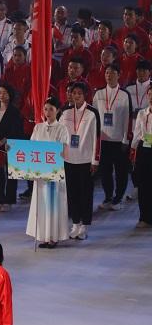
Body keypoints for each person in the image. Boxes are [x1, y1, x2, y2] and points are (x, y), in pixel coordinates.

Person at [26, 96, 70, 247]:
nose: (48, 112)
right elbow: (31, 148)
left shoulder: (62, 128)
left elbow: (63, 150)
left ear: (57, 111)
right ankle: (44, 235)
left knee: (53, 203)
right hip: (40, 172)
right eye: (45, 109)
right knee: (41, 203)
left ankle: (53, 237)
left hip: (54, 171)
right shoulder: (38, 127)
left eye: (51, 109)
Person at [59, 82, 100, 240]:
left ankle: (84, 225)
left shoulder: (92, 113)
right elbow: (59, 134)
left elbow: (97, 138)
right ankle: (75, 223)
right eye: (73, 93)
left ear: (85, 95)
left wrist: (95, 161)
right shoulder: (65, 112)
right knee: (72, 193)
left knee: (85, 194)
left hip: (85, 159)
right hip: (68, 159)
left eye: (79, 93)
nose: (76, 96)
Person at [93, 64, 133, 209]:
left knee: (121, 171)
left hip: (119, 140)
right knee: (105, 170)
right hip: (103, 139)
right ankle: (108, 196)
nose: (109, 75)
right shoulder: (98, 94)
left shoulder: (124, 94)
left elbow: (127, 118)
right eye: (107, 73)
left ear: (119, 75)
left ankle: (118, 198)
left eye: (112, 73)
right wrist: (96, 138)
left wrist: (125, 139)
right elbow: (95, 118)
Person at [0, 85, 23, 210]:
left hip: (9, 146)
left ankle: (9, 200)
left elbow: (15, 129)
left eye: (5, 93)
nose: (2, 95)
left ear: (10, 94)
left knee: (10, 174)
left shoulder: (14, 111)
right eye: (0, 92)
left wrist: (2, 142)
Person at [131, 83, 152, 227]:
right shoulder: (142, 113)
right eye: (150, 94)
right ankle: (144, 217)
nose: (151, 97)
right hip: (144, 150)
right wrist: (133, 152)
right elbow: (137, 134)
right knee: (144, 185)